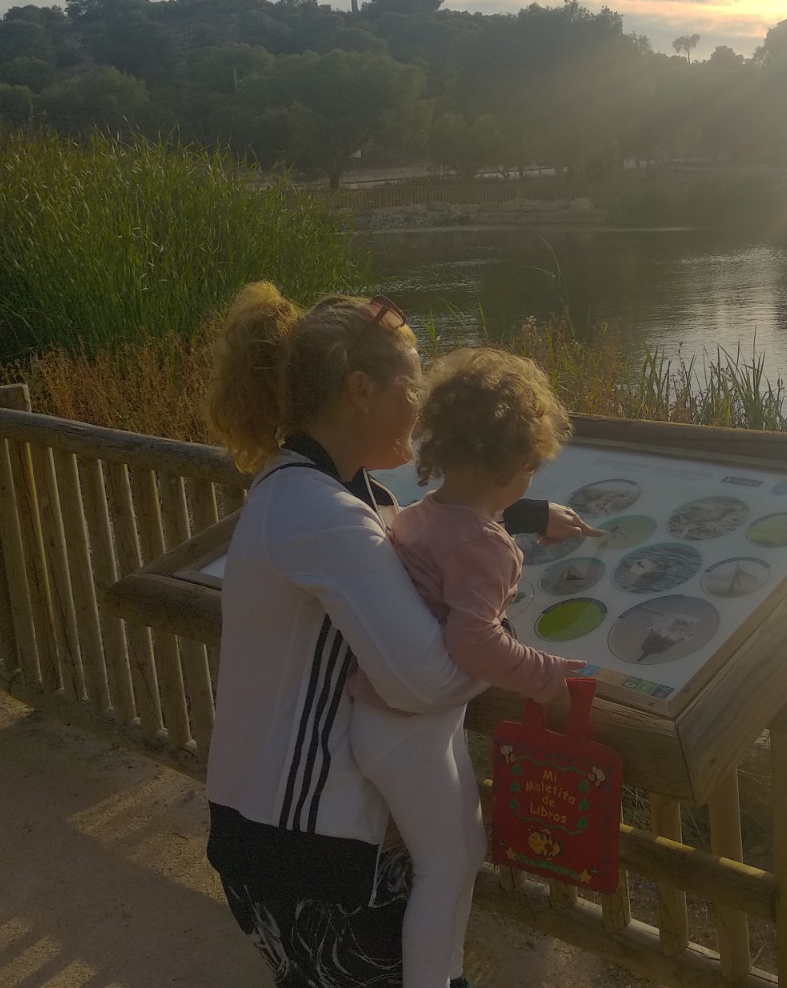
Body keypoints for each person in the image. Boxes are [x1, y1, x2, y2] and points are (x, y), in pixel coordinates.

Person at [201, 283, 597, 988]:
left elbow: (422, 529)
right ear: (360, 390)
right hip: (301, 844)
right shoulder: (316, 510)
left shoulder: (334, 492)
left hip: (287, 825)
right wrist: (498, 643)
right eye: (411, 385)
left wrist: (521, 511)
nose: (421, 409)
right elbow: (426, 678)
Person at [348, 346, 591, 988]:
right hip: (408, 730)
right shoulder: (486, 546)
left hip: (383, 718)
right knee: (448, 865)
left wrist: (528, 517)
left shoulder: (422, 515)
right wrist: (547, 677)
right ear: (519, 462)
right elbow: (473, 642)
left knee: (459, 850)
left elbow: (470, 519)